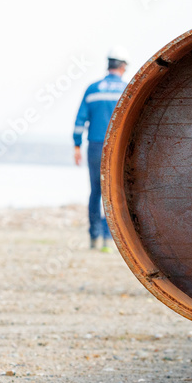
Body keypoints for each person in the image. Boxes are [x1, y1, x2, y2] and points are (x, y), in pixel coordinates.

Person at [74, 47, 129, 251]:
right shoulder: (127, 89)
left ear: (108, 65)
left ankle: (94, 238)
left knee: (95, 191)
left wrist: (76, 144)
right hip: (117, 147)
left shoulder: (93, 88)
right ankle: (109, 238)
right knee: (113, 192)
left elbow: (80, 120)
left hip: (96, 146)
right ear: (123, 67)